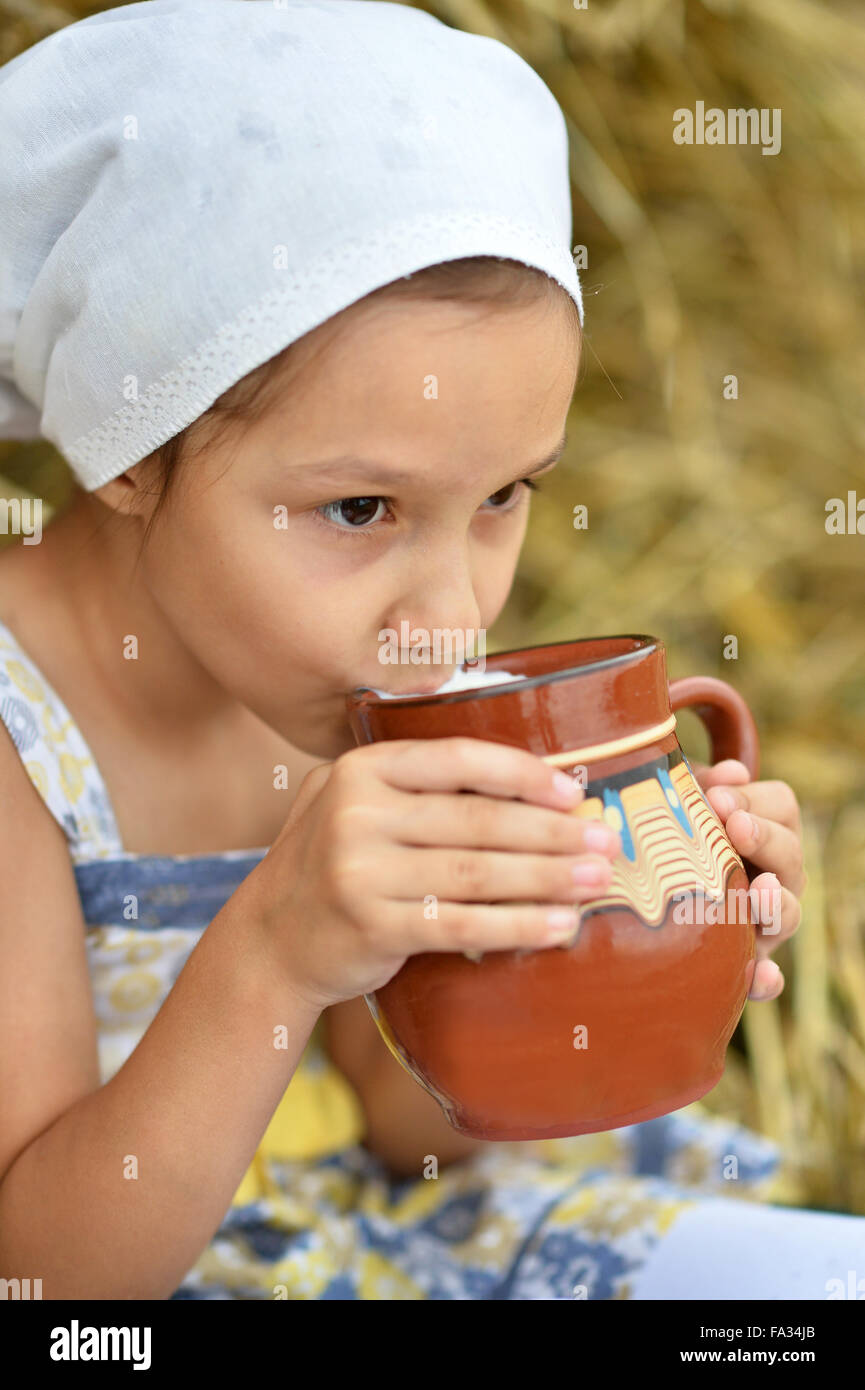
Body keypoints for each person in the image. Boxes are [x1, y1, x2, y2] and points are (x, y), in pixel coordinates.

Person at [0, 0, 846, 1302]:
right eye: (358, 509)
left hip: (385, 1238)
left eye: (504, 495)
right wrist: (276, 947)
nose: (449, 618)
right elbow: (43, 1287)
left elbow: (410, 1133)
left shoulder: (325, 691)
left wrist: (620, 950)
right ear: (130, 445)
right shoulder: (21, 739)